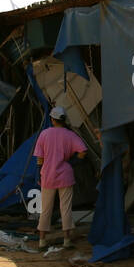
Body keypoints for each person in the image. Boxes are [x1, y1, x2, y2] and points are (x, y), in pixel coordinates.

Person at [33, 106, 88, 249]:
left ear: (52, 119)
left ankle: (42, 241)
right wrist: (71, 162)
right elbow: (83, 151)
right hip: (66, 175)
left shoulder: (44, 134)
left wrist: (39, 171)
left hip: (47, 175)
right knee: (66, 209)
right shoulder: (70, 135)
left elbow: (39, 157)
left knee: (46, 209)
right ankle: (67, 241)